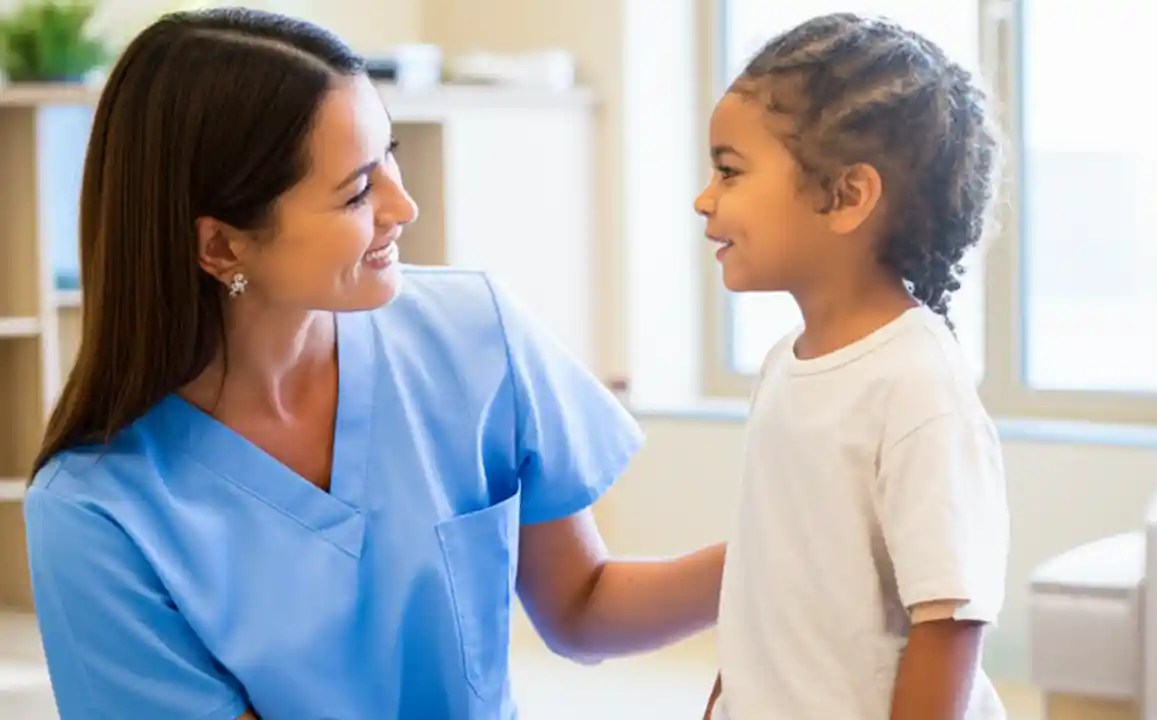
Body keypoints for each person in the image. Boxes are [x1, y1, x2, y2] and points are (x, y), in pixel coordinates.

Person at [23, 8, 724, 719]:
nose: (403, 204)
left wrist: (785, 556)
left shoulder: (475, 333)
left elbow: (582, 606)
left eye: (388, 155)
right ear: (223, 248)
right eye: (357, 191)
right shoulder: (95, 514)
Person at [695, 13, 1009, 720]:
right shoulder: (785, 367)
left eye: (729, 171)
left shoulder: (916, 385)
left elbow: (950, 616)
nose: (704, 198)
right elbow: (760, 593)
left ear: (847, 197)